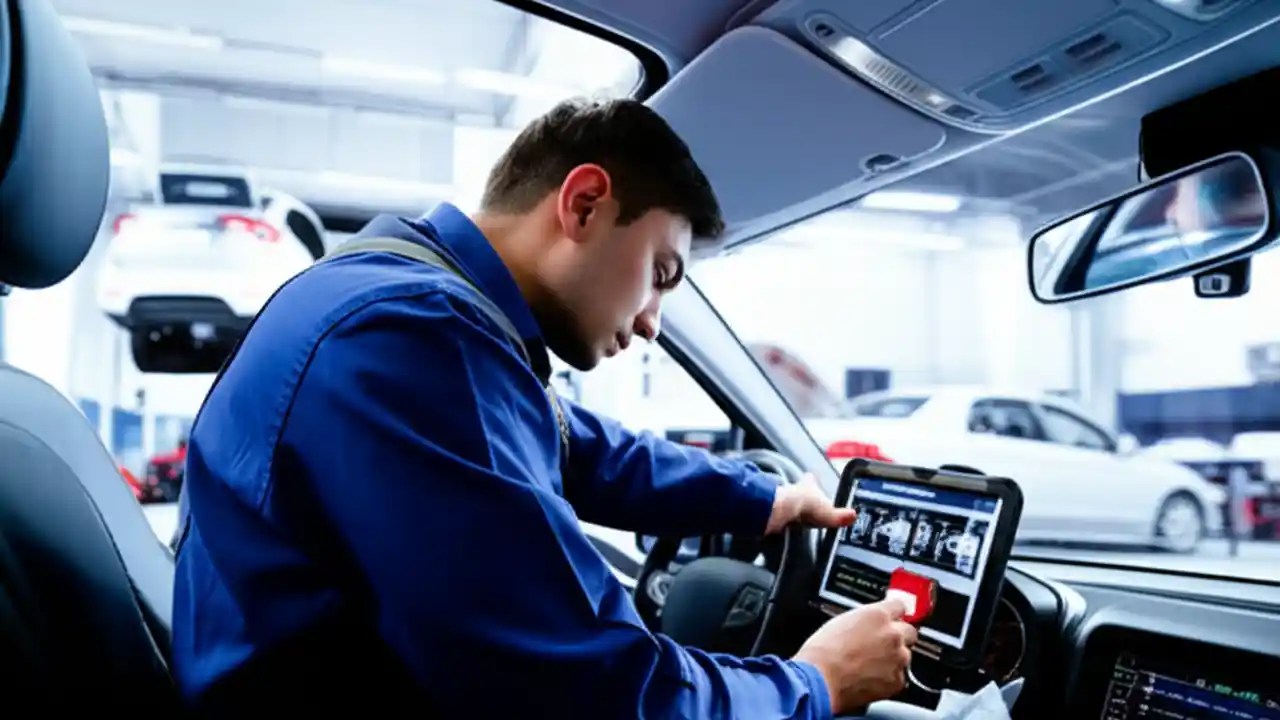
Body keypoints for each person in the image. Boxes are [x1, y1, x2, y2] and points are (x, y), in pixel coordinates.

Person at [171, 97, 918, 718]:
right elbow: (592, 691)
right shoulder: (412, 337)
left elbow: (575, 441)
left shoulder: (405, 297)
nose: (654, 319)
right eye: (660, 272)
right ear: (585, 203)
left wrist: (764, 499)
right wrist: (817, 681)